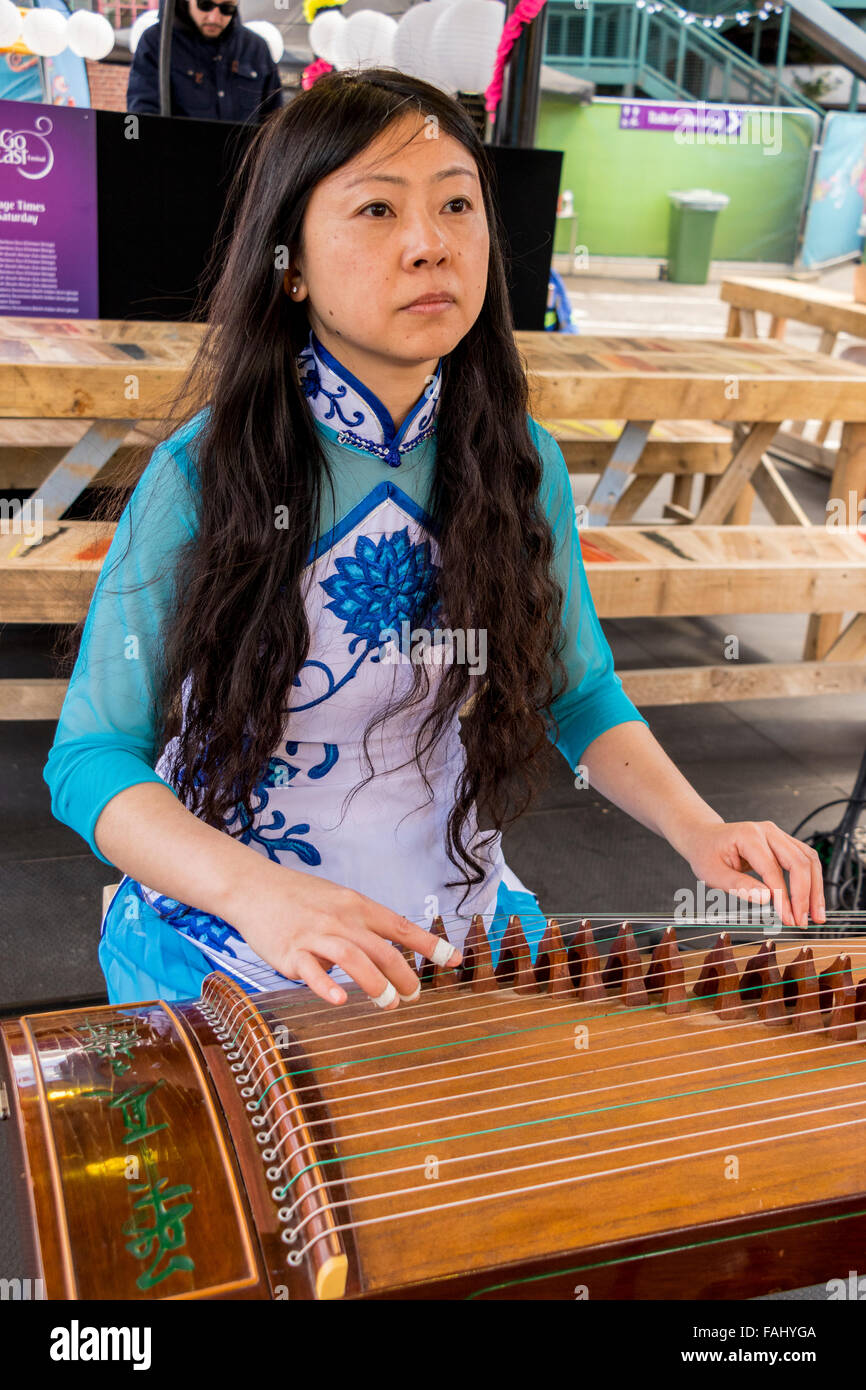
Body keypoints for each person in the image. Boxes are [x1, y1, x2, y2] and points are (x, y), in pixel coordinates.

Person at [44, 70, 825, 1011]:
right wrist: (257, 894)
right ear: (288, 263)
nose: (429, 244)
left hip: (451, 914)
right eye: (377, 209)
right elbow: (92, 756)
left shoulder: (515, 458)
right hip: (238, 928)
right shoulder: (204, 472)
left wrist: (701, 832)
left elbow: (576, 692)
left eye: (457, 203)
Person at [127, 0, 283, 125]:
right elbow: (142, 114)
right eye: (205, 5)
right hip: (176, 160)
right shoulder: (157, 42)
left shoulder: (256, 48)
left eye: (226, 8)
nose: (214, 17)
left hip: (242, 163)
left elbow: (274, 120)